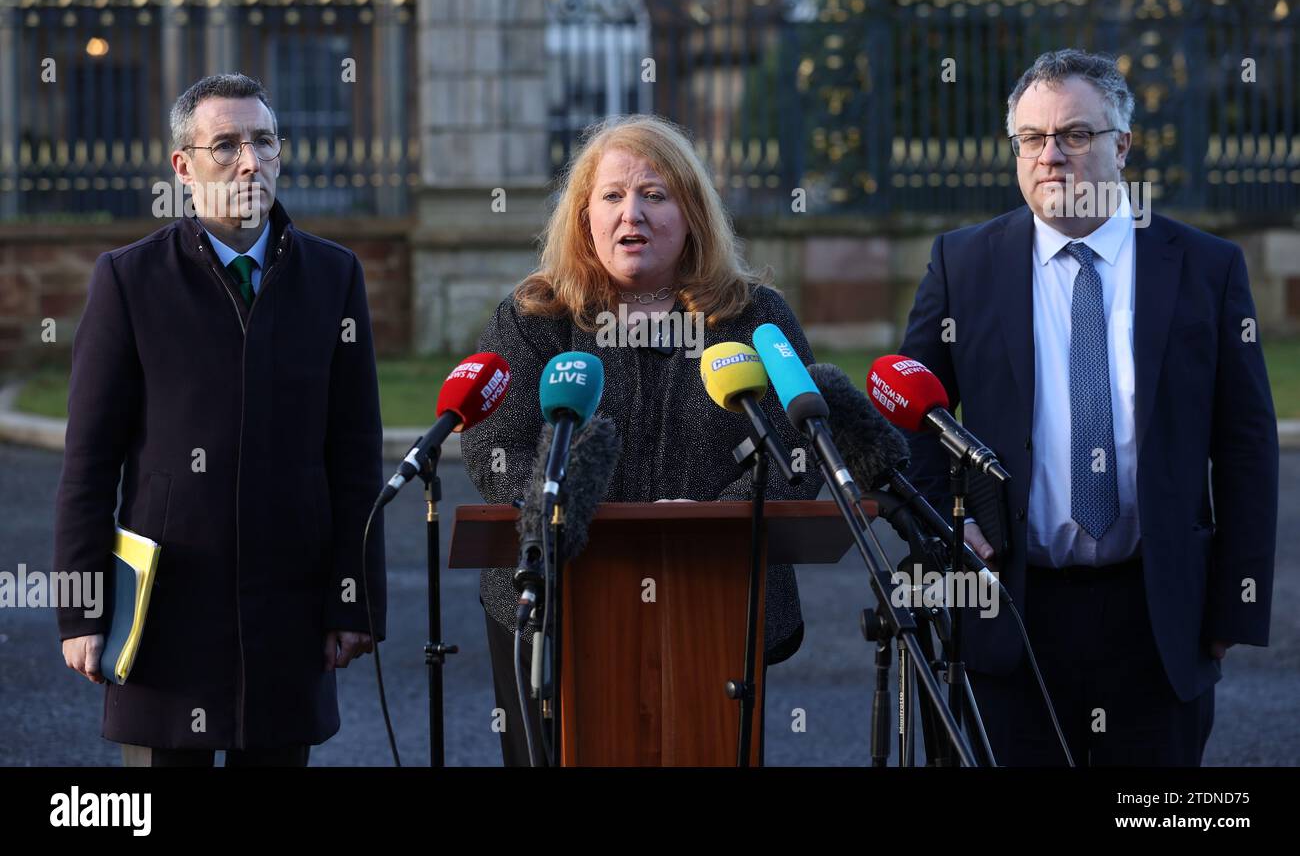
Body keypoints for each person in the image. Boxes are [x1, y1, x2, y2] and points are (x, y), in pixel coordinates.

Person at [897, 48, 1278, 765]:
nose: (1052, 156)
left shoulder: (1204, 267)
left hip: (1158, 613)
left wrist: (1236, 604)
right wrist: (943, 539)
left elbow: (1246, 446)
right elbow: (914, 418)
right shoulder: (964, 264)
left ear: (1122, 145)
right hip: (1012, 609)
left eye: (1076, 134)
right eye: (1032, 139)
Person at [461, 114, 822, 766]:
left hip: (712, 599)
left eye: (655, 194)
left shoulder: (753, 317)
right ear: (583, 217)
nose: (635, 212)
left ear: (692, 214)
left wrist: (711, 524)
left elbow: (795, 454)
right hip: (559, 607)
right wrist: (566, 513)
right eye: (613, 195)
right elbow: (497, 448)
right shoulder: (534, 316)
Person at [53, 73, 387, 767]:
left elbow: (355, 457)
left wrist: (353, 601)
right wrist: (83, 610)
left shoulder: (334, 277)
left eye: (263, 142)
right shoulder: (128, 280)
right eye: (225, 145)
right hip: (166, 611)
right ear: (183, 166)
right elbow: (88, 462)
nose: (248, 162)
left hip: (288, 607)